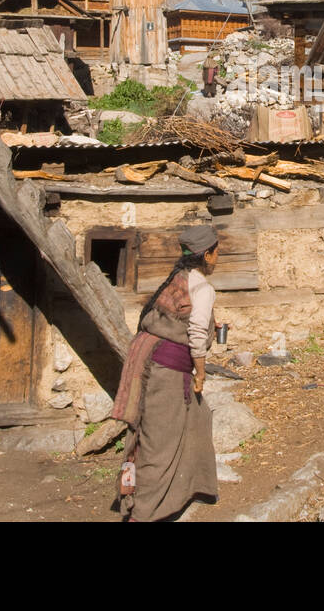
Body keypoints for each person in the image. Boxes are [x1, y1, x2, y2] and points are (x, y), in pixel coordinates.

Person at [112, 223, 220, 521]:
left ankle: (188, 487)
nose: (218, 257)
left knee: (194, 417)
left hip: (144, 361)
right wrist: (200, 373)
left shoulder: (178, 279)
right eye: (216, 251)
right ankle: (142, 512)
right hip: (166, 370)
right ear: (207, 255)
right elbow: (196, 334)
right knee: (159, 441)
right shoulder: (203, 288)